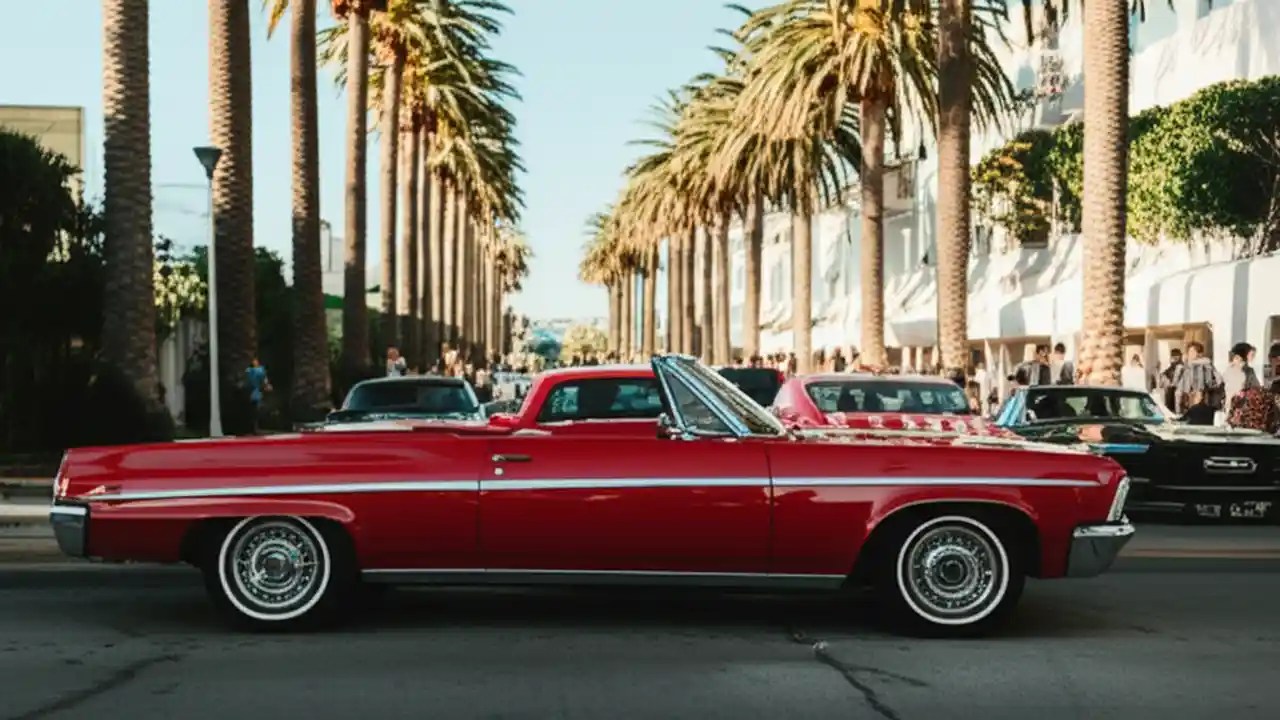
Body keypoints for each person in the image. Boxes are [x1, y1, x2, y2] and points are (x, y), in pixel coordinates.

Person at [245, 358, 270, 434]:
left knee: (255, 410)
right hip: (253, 392)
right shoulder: (251, 370)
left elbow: (264, 380)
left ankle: (255, 427)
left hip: (255, 392)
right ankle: (253, 428)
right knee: (254, 410)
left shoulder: (254, 371)